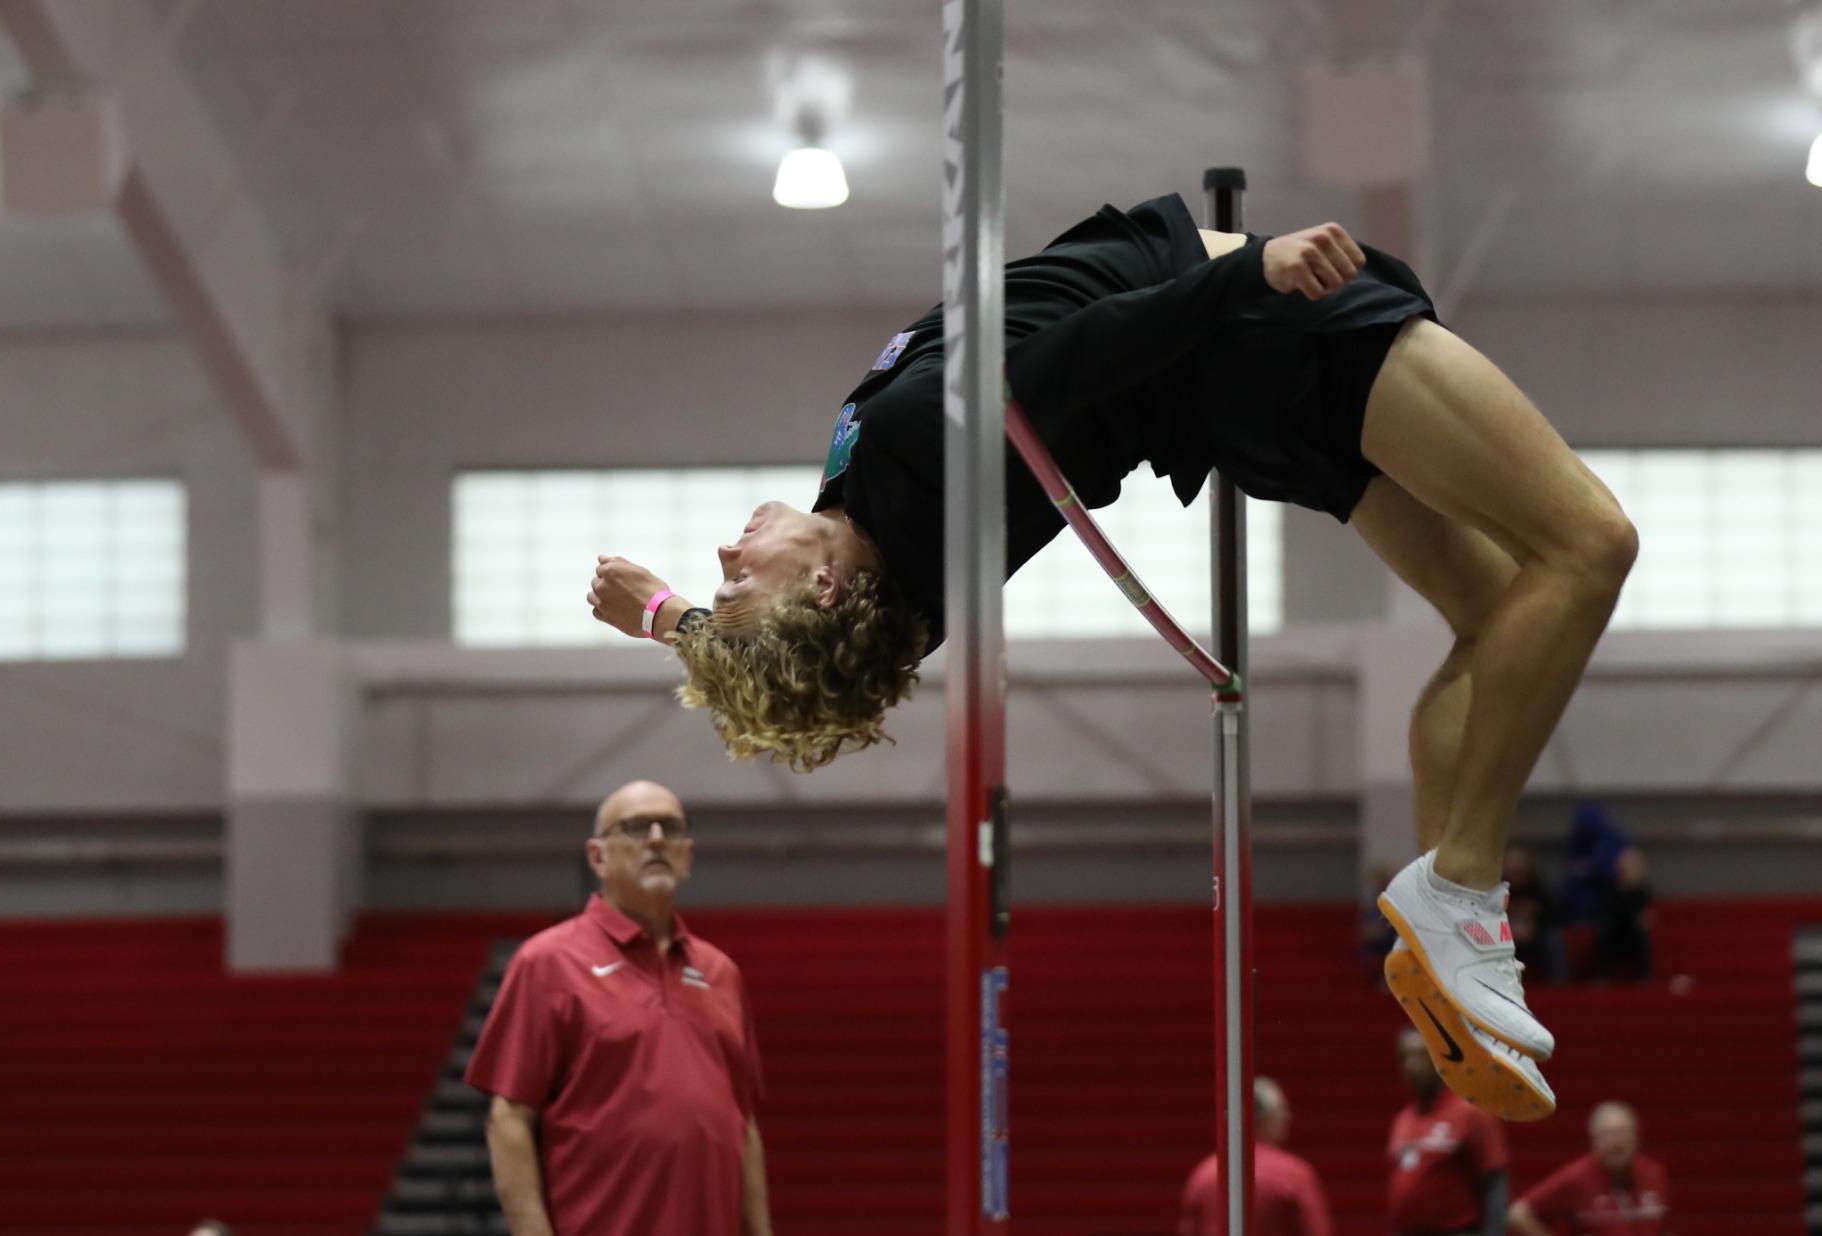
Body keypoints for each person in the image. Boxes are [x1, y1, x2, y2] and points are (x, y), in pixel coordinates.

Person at [588, 192, 1637, 1118]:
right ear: (818, 588)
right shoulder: (915, 448)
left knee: (1498, 615)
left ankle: (1443, 937)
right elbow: (1076, 353)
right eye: (737, 575)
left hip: (1234, 404)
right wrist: (1247, 274)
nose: (728, 550)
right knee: (1588, 546)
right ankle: (1460, 888)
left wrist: (673, 617)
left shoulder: (903, 578)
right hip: (1262, 333)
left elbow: (807, 681)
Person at [465, 780, 771, 1236]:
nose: (655, 839)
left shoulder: (721, 972)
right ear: (597, 857)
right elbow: (509, 1119)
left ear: (687, 854)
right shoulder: (548, 962)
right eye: (634, 828)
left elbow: (741, 1124)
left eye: (670, 828)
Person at [1387, 1030, 1508, 1236]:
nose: (1412, 1064)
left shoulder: (1469, 1112)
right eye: (1405, 1057)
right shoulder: (1403, 1119)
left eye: (1420, 1055)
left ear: (1439, 1057)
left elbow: (1494, 1182)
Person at [1179, 1076, 1334, 1236]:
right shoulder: (1295, 1175)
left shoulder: (1203, 1174)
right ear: (1267, 1118)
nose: (1288, 1118)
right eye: (1283, 1112)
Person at [1508, 1102, 1675, 1236]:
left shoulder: (1654, 1174)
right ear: (1594, 1140)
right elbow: (1518, 1214)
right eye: (1608, 1134)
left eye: (1623, 1133)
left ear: (1637, 1137)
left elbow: (1666, 1227)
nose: (1616, 1143)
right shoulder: (1577, 1177)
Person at [1502, 846, 1564, 986]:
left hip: (1534, 936)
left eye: (1520, 870)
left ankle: (1558, 989)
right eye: (1513, 870)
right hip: (1505, 937)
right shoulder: (1498, 888)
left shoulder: (1537, 887)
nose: (1517, 873)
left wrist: (1534, 929)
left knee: (1554, 941)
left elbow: (1551, 916)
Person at [1589, 848, 1653, 984]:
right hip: (1614, 929)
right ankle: (1602, 974)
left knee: (1639, 930)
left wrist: (1631, 888)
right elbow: (1611, 909)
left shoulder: (1640, 890)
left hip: (1631, 932)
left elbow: (1640, 911)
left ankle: (1645, 975)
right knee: (1605, 930)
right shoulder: (1610, 886)